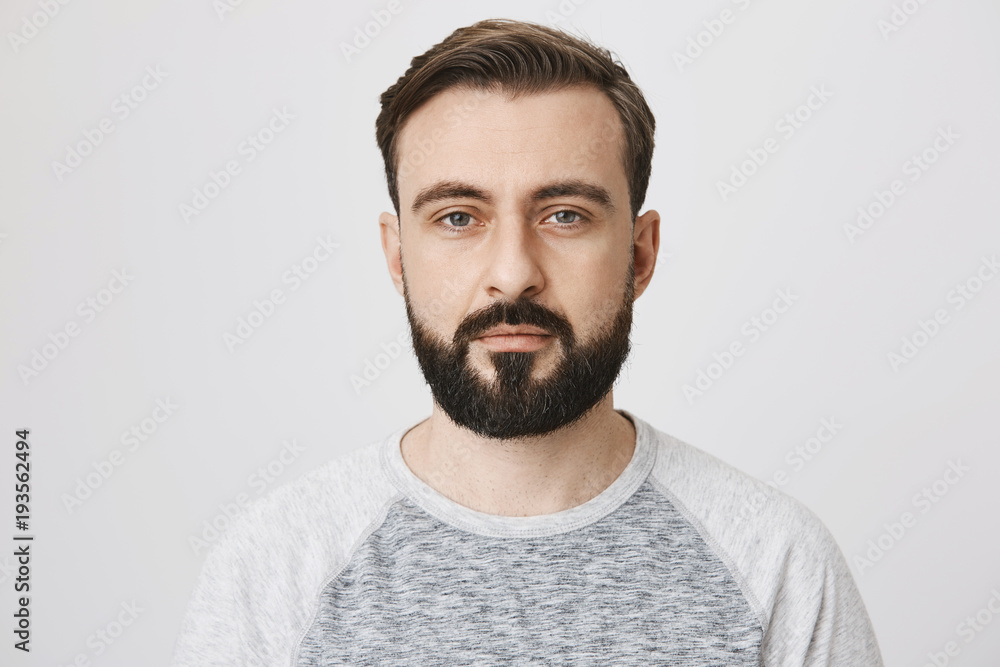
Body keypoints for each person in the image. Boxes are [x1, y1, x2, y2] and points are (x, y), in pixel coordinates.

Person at [172, 18, 884, 666]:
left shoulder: (777, 565)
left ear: (640, 253)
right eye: (458, 217)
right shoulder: (273, 571)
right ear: (397, 257)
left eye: (565, 215)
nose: (513, 273)